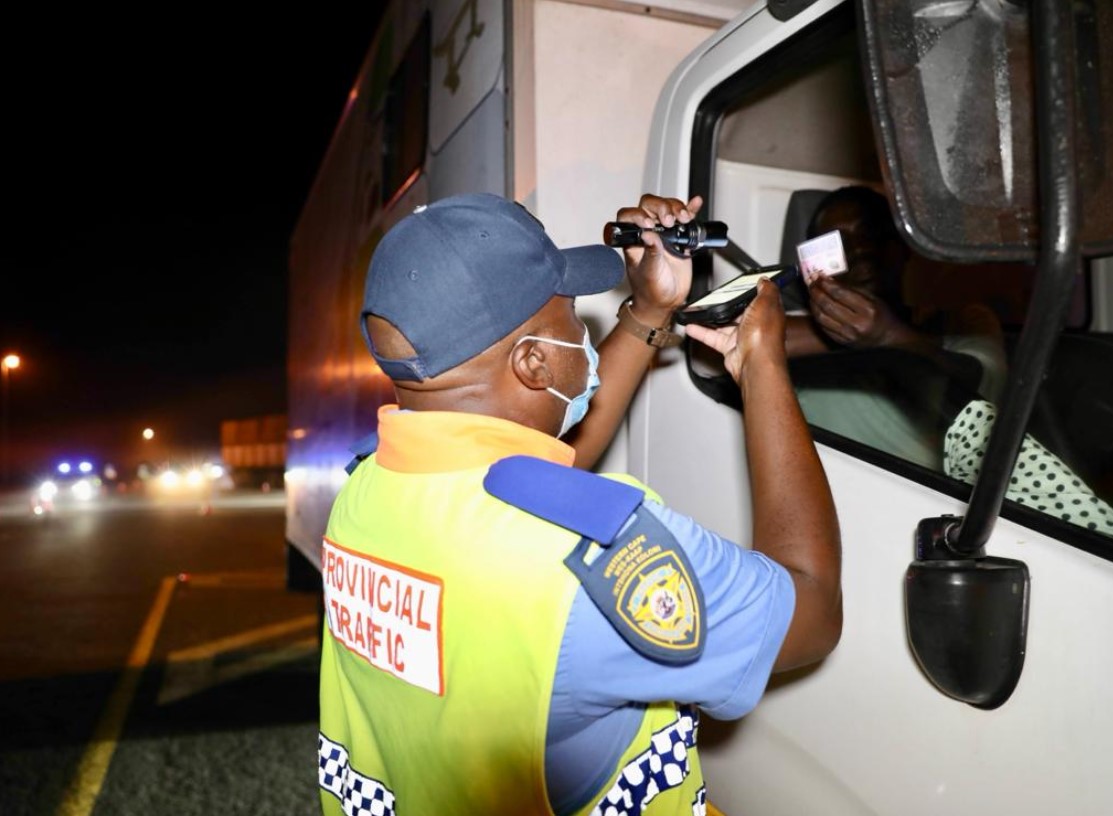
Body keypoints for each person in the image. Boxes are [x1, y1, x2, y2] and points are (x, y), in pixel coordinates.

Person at [317, 192, 841, 815]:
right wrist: (761, 362)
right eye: (571, 315)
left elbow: (531, 475)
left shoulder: (368, 487)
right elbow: (811, 608)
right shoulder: (593, 555)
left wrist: (650, 313)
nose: (582, 327)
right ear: (534, 362)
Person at [785, 185, 1008, 470]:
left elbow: (983, 378)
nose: (861, 250)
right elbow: (747, 340)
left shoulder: (961, 322)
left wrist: (889, 337)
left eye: (874, 234)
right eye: (838, 244)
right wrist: (839, 332)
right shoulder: (792, 324)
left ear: (904, 247)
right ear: (813, 265)